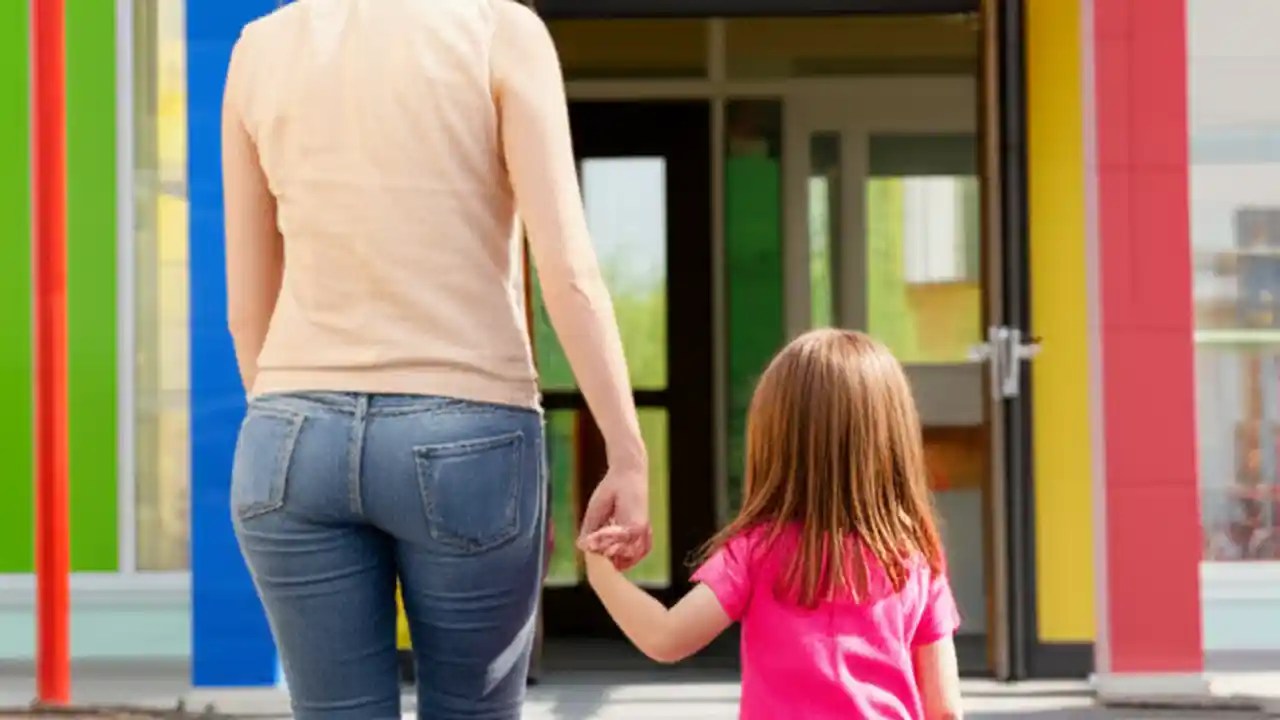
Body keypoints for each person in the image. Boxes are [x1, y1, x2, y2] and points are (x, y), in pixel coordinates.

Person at [220, 0, 651, 717]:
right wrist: (627, 453)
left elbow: (246, 307)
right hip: (467, 430)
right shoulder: (500, 32)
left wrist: (289, 428)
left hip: (290, 431)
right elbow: (566, 271)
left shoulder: (259, 48)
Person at [581, 329, 964, 720]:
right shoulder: (914, 559)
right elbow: (945, 709)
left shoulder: (756, 551)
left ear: (775, 442)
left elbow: (664, 637)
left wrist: (599, 571)